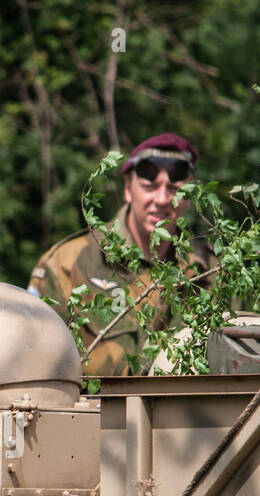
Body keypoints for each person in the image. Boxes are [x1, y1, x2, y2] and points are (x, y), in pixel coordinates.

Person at [27, 133, 214, 375]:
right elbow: (31, 357)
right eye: (150, 187)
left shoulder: (211, 273)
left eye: (174, 190)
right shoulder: (67, 262)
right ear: (128, 189)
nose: (161, 199)